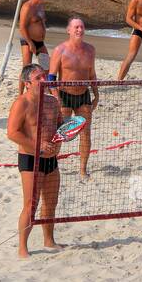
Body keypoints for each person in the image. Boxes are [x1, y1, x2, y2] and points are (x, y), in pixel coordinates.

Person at [7, 64, 63, 258]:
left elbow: (60, 126)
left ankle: (49, 240)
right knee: (31, 204)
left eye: (44, 76)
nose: (44, 80)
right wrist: (38, 145)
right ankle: (22, 247)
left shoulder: (52, 101)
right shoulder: (21, 103)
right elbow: (12, 133)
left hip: (51, 158)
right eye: (38, 78)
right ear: (28, 83)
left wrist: (69, 131)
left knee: (51, 202)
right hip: (30, 158)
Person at [49, 17, 99, 178]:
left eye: (82, 27)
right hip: (64, 96)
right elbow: (51, 78)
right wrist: (56, 97)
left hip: (83, 95)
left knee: (85, 133)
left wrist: (96, 94)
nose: (79, 30)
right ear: (69, 30)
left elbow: (92, 74)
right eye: (76, 27)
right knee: (61, 133)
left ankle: (83, 170)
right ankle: (51, 165)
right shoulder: (60, 50)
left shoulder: (90, 50)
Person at [17, 0, 49, 93]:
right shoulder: (27, 7)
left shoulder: (40, 6)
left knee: (46, 66)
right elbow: (22, 27)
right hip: (27, 40)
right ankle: (21, 94)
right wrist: (30, 43)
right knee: (26, 68)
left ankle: (46, 90)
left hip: (40, 42)